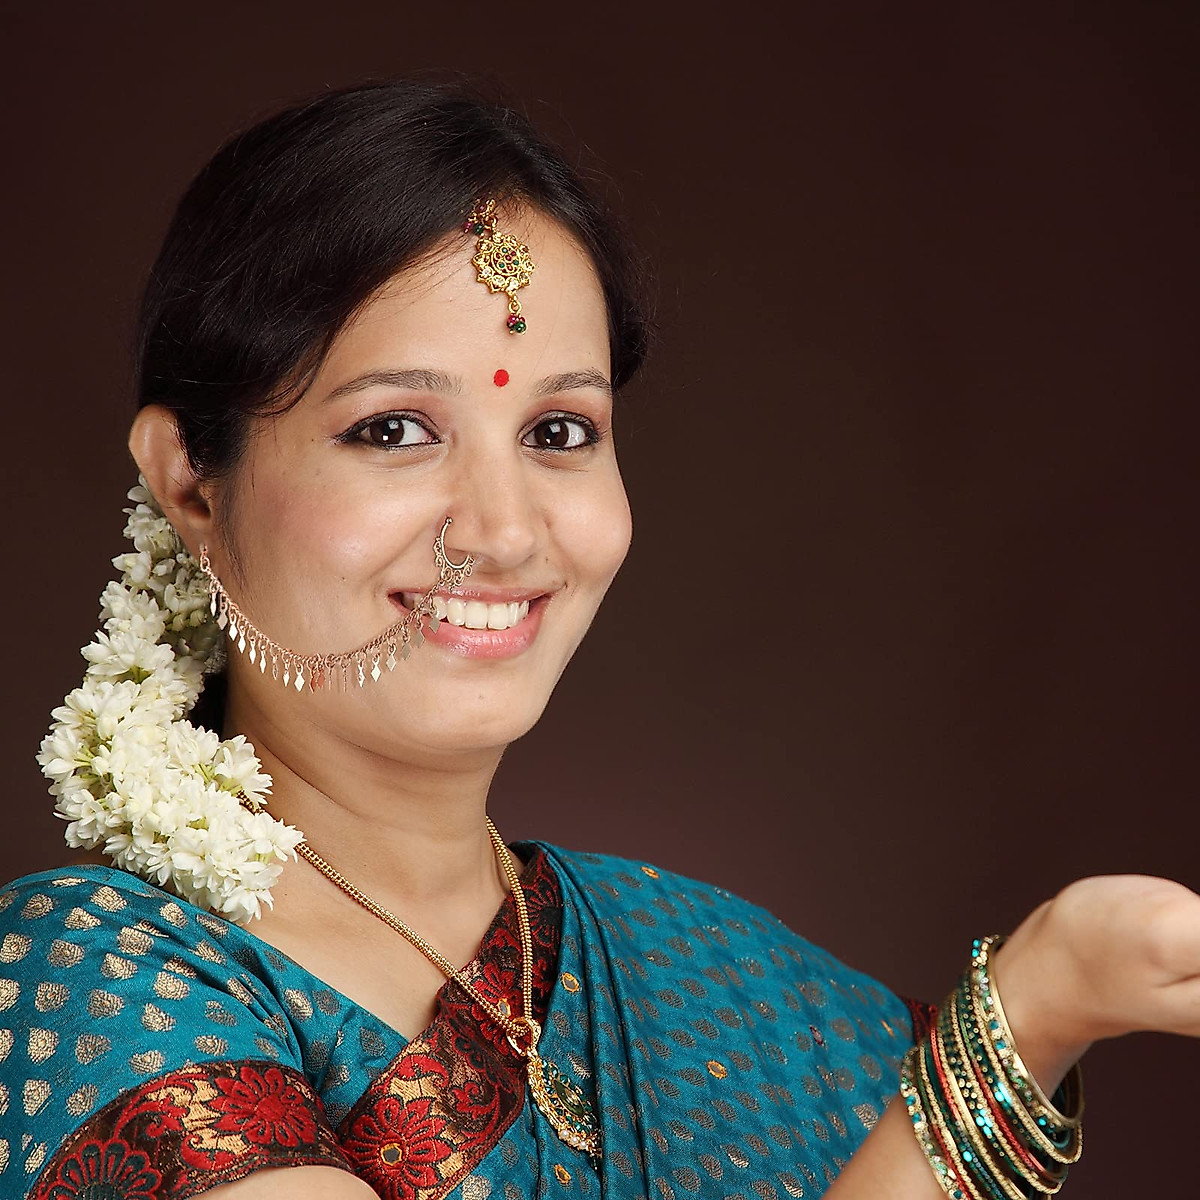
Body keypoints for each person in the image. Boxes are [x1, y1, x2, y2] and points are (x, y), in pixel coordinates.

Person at [1, 79, 1197, 1200]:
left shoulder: (718, 983)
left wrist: (1054, 997)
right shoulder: (82, 983)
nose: (504, 531)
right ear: (189, 482)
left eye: (559, 431)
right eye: (396, 429)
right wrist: (1028, 1011)